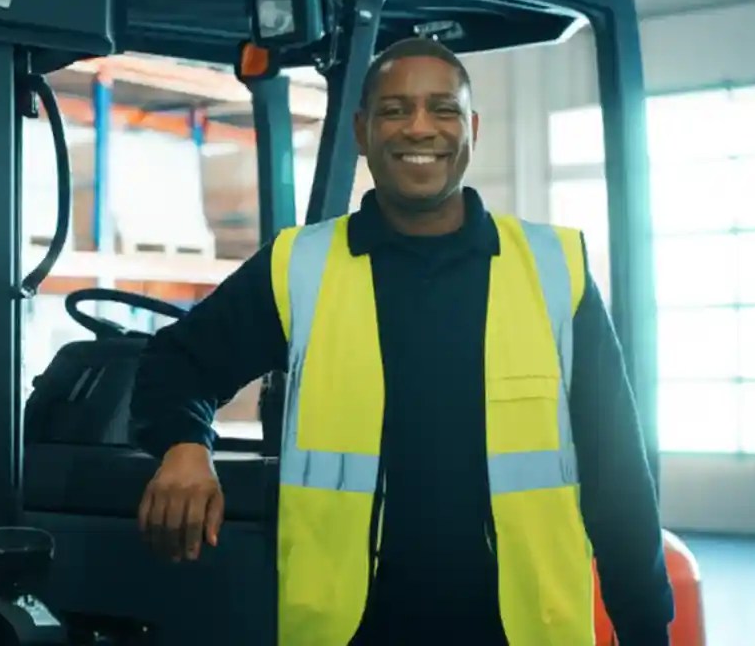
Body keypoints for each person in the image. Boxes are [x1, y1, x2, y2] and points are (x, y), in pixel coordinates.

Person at [130, 37, 674, 645]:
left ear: (472, 128)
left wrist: (647, 626)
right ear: (362, 131)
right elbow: (175, 362)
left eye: (442, 110)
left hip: (521, 630)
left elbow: (617, 472)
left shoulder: (554, 267)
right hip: (354, 630)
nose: (420, 129)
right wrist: (185, 446)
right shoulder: (299, 267)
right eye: (395, 110)